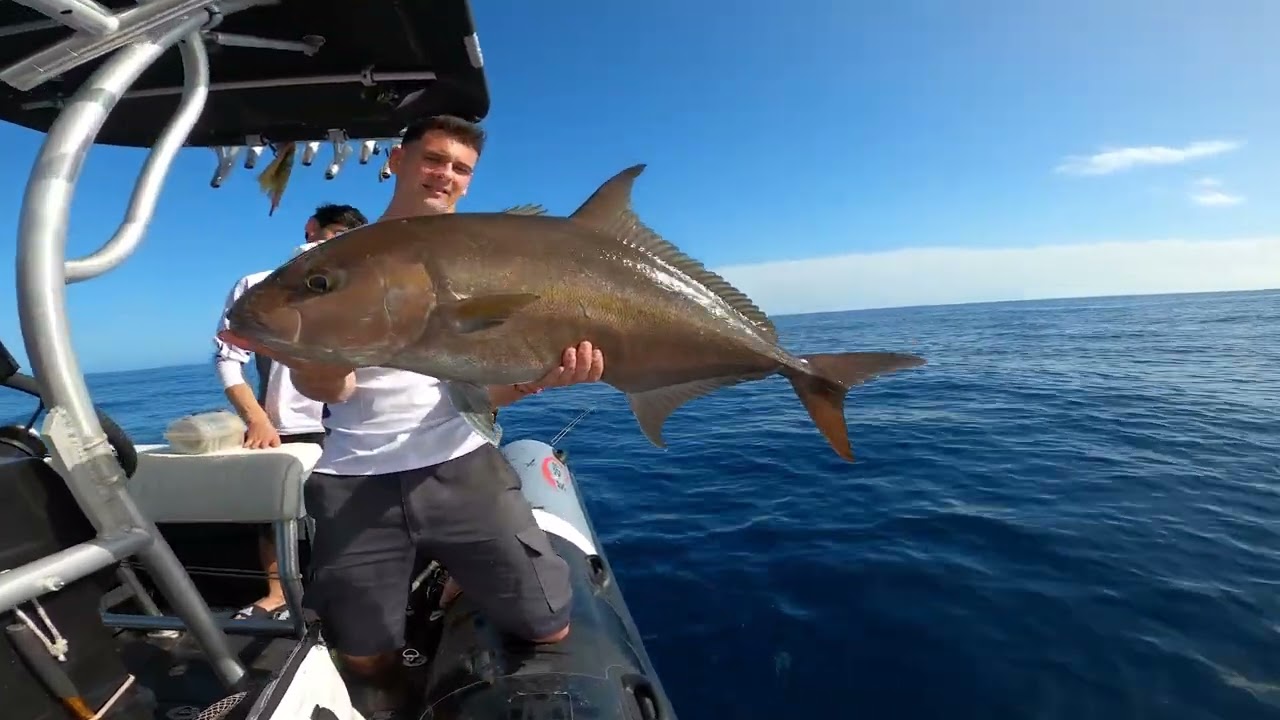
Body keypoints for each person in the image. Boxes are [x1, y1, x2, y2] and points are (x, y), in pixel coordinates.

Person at [249, 115, 604, 711]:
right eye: (434, 159)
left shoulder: (488, 256)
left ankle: (462, 581)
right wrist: (314, 353)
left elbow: (482, 395)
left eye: (460, 168)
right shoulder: (332, 261)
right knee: (364, 654)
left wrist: (543, 379)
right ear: (397, 159)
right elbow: (331, 392)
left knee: (549, 623)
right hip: (356, 475)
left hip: (460, 461)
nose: (446, 175)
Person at [212, 203, 369, 621]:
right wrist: (257, 418)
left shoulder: (363, 289)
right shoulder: (256, 284)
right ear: (310, 228)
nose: (336, 243)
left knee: (345, 512)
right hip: (279, 425)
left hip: (347, 422)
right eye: (331, 232)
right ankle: (277, 593)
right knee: (270, 514)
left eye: (348, 237)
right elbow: (229, 359)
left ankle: (340, 593)